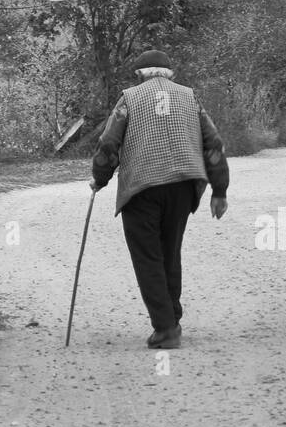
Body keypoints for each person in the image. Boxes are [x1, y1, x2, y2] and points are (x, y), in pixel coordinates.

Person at [90, 49, 229, 348]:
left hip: (142, 187)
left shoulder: (129, 98)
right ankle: (172, 319)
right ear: (170, 74)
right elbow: (213, 143)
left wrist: (99, 179)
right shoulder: (189, 97)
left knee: (148, 257)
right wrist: (219, 190)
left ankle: (166, 328)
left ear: (139, 74)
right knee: (169, 252)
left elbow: (108, 144)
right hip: (182, 185)